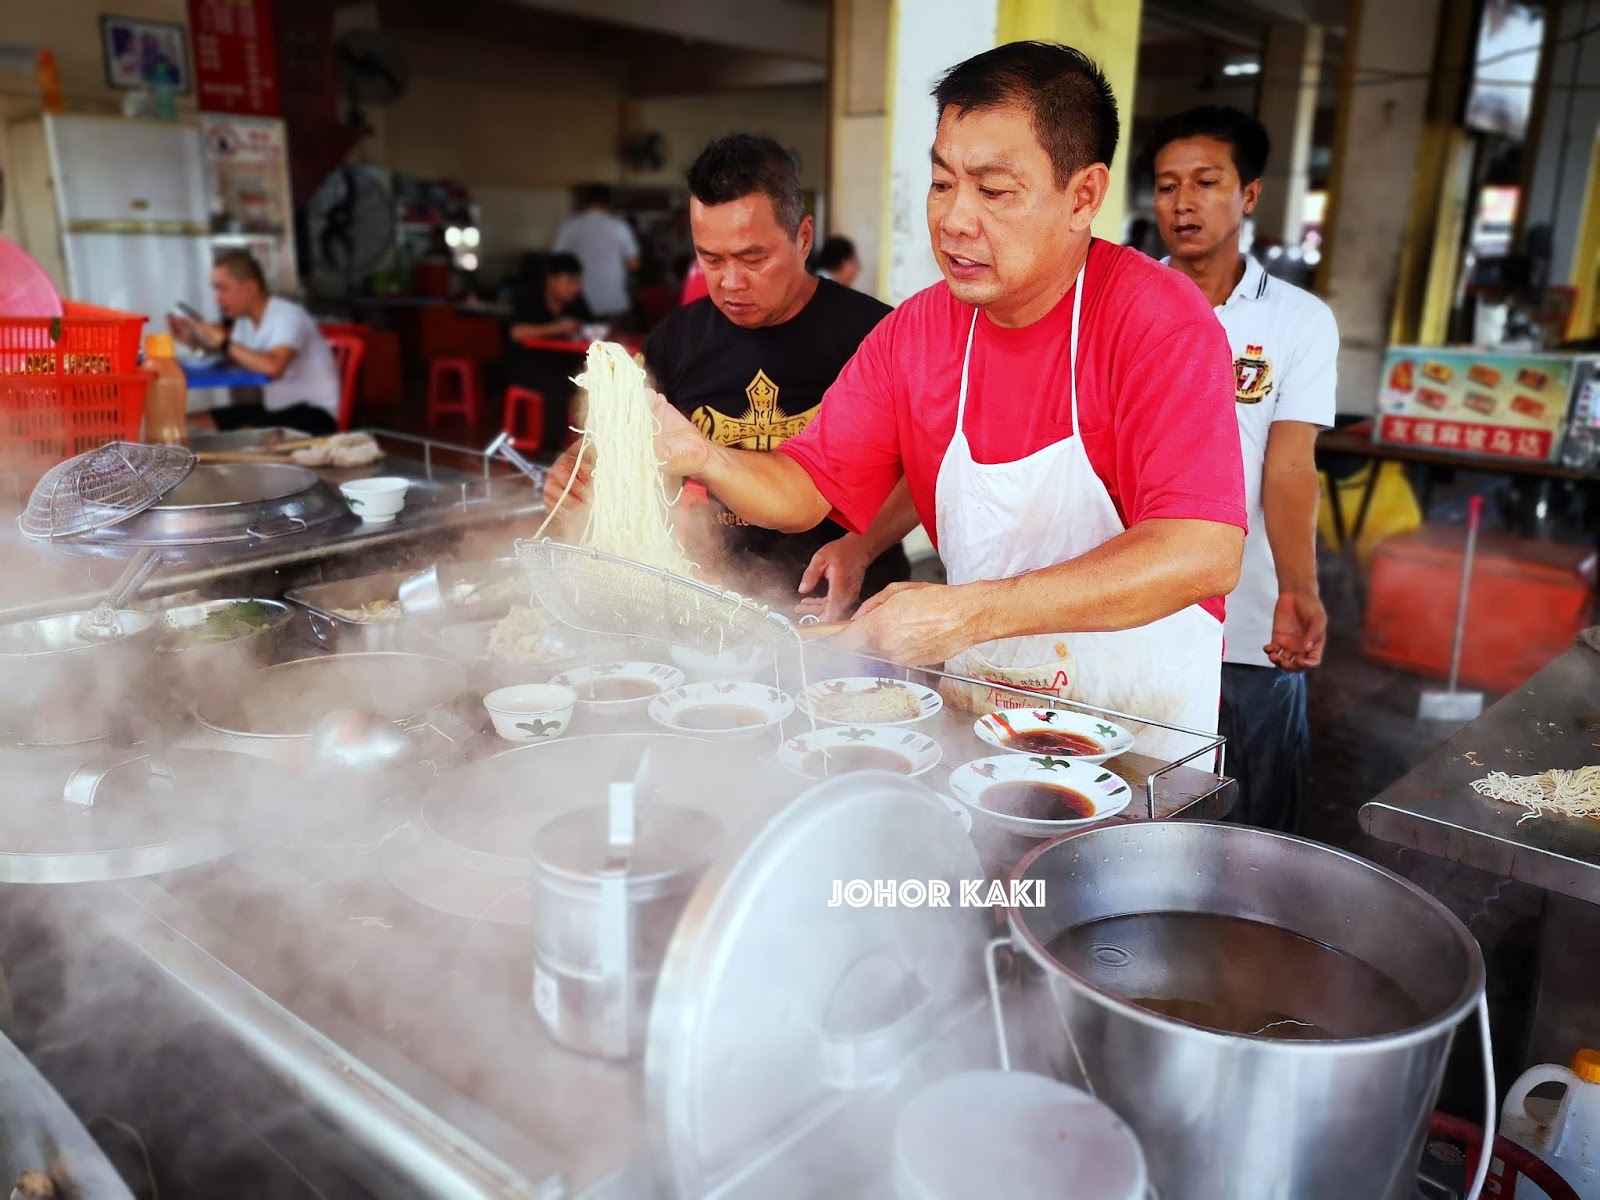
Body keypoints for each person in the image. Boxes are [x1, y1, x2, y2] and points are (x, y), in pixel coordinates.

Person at [551, 43, 1246, 750]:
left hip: (1137, 729)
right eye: (943, 183)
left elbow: (1201, 551)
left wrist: (964, 615)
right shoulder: (918, 331)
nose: (954, 220)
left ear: (1084, 197)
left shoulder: (1156, 319)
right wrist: (700, 453)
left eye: (994, 190)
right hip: (987, 715)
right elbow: (801, 490)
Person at [545, 132, 912, 615]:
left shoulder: (877, 334)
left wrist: (861, 546)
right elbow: (643, 445)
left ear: (803, 238)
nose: (730, 282)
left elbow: (924, 470)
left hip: (850, 601)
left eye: (752, 258)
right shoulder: (677, 339)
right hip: (718, 597)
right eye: (711, 259)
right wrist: (590, 465)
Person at [1150, 105, 1338, 832]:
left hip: (1253, 613)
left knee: (1258, 825)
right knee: (1149, 807)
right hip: (1137, 609)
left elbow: (1290, 466)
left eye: (1205, 182)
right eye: (1167, 186)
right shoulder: (1121, 305)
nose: (1184, 202)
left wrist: (1299, 589)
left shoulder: (1296, 320)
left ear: (1249, 194)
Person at [171, 250, 342, 435]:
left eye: (223, 288)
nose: (217, 297)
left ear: (250, 288)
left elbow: (273, 367)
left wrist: (223, 341)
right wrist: (194, 341)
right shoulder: (245, 321)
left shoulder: (287, 316)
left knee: (239, 439)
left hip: (315, 414)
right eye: (215, 289)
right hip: (274, 410)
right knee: (183, 423)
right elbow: (236, 358)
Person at [505, 253, 594, 454]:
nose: (576, 288)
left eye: (578, 281)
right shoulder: (530, 297)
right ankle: (550, 453)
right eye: (570, 281)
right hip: (527, 364)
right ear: (551, 280)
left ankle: (591, 451)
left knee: (594, 381)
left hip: (563, 362)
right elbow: (517, 332)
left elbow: (587, 327)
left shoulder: (578, 302)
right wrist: (558, 329)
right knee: (556, 386)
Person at [553, 185, 640, 325]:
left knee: (582, 346)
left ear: (583, 202)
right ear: (609, 202)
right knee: (613, 346)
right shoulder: (619, 227)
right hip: (613, 301)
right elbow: (634, 264)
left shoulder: (570, 226)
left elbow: (558, 262)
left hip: (579, 301)